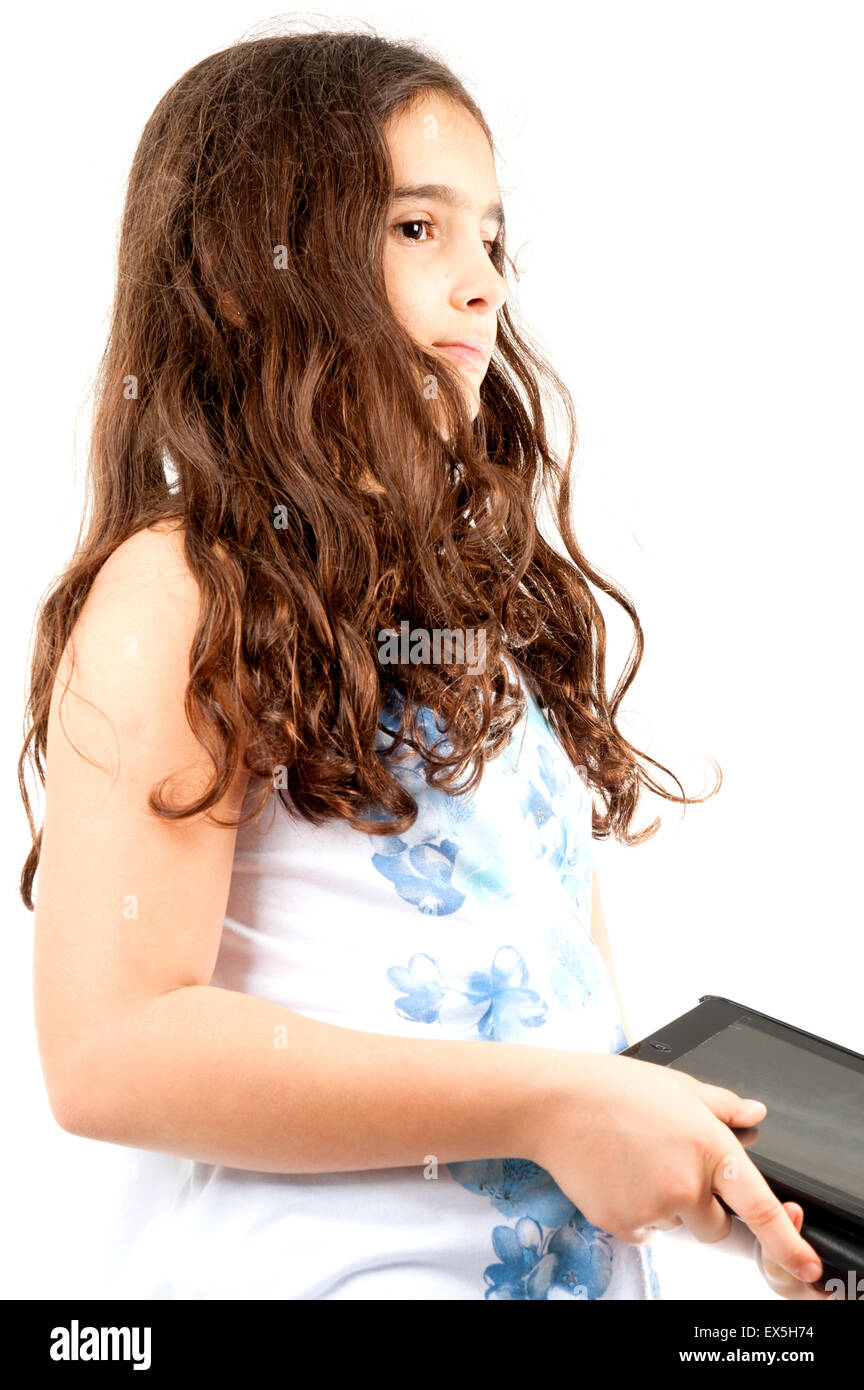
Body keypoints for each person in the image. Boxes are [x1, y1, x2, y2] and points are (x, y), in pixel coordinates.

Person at [20, 28, 827, 1301]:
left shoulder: (484, 631)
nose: (481, 287)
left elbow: (561, 1044)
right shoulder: (181, 587)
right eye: (415, 229)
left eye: (492, 239)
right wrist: (558, 1098)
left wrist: (686, 1170)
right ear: (243, 273)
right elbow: (108, 1048)